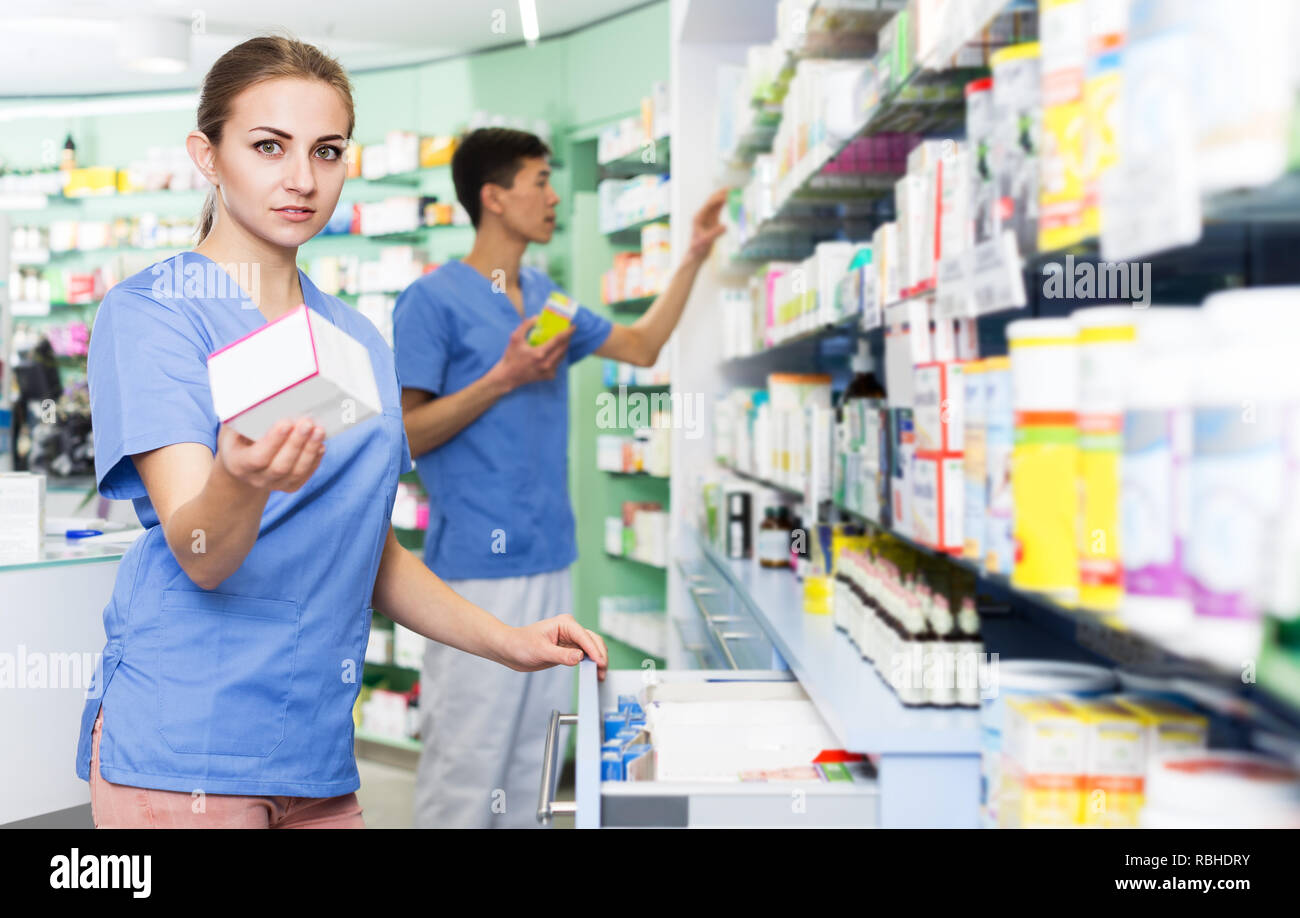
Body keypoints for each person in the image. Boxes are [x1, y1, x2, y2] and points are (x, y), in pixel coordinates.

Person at [77, 36, 606, 830]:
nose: (302, 178)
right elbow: (202, 554)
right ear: (207, 155)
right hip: (188, 746)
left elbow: (370, 550)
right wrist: (239, 480)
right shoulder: (154, 313)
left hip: (316, 752)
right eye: (269, 146)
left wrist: (508, 643)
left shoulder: (352, 336)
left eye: (326, 151)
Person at [393, 127, 725, 828]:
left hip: (551, 561)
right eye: (540, 182)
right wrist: (503, 377)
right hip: (475, 575)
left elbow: (642, 346)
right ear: (493, 197)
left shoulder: (548, 301)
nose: (553, 198)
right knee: (467, 767)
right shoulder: (432, 302)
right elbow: (406, 435)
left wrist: (694, 254)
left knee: (536, 762)